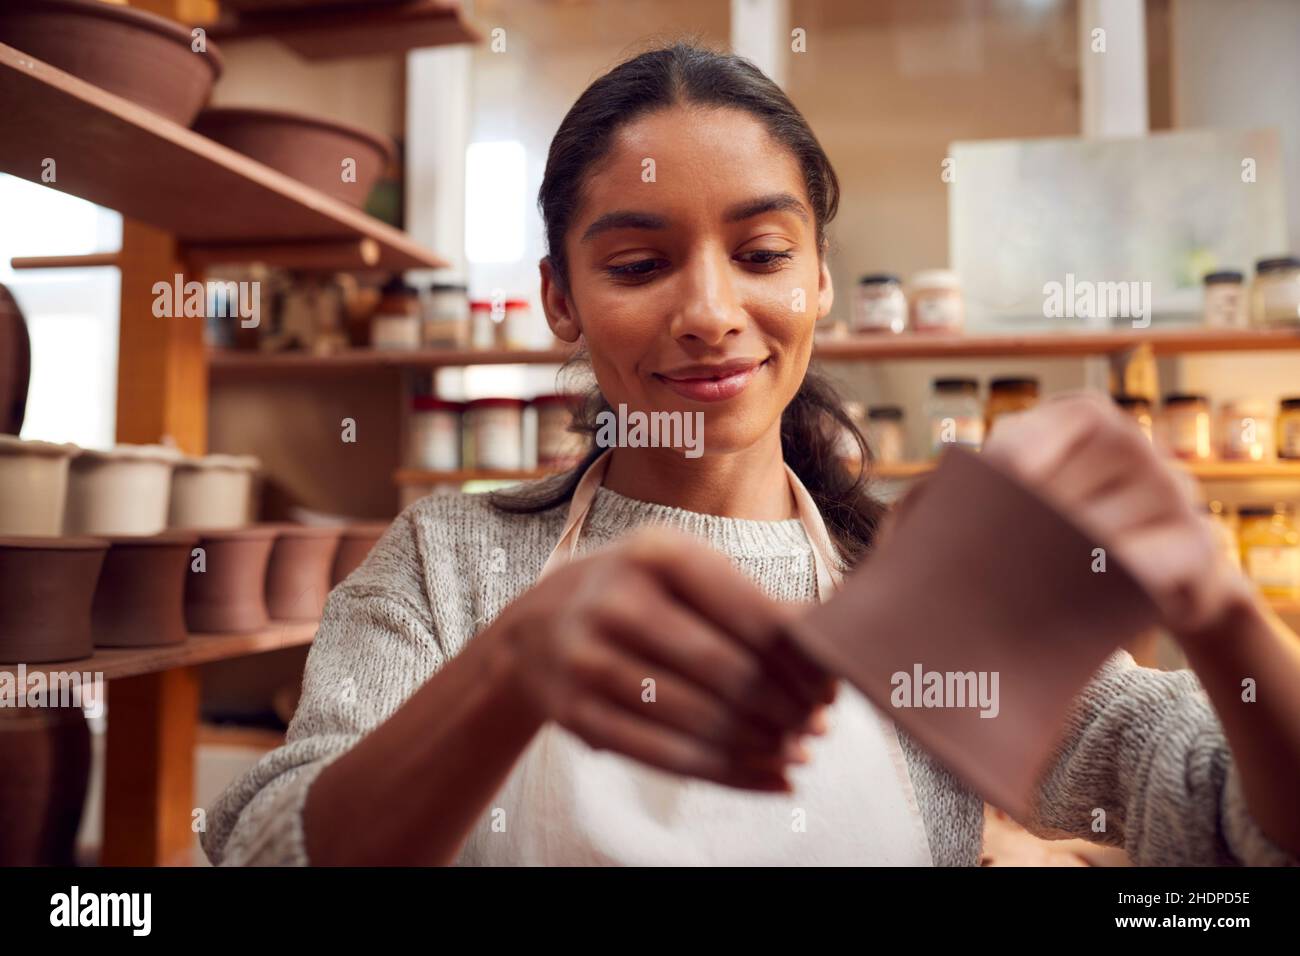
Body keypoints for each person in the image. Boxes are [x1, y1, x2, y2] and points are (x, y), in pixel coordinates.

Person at [203, 43, 1300, 867]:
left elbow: (1235, 818)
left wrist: (1214, 606)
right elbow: (269, 846)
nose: (710, 311)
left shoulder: (919, 595)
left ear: (820, 276)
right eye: (639, 263)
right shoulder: (448, 564)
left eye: (761, 252)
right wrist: (511, 663)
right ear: (560, 301)